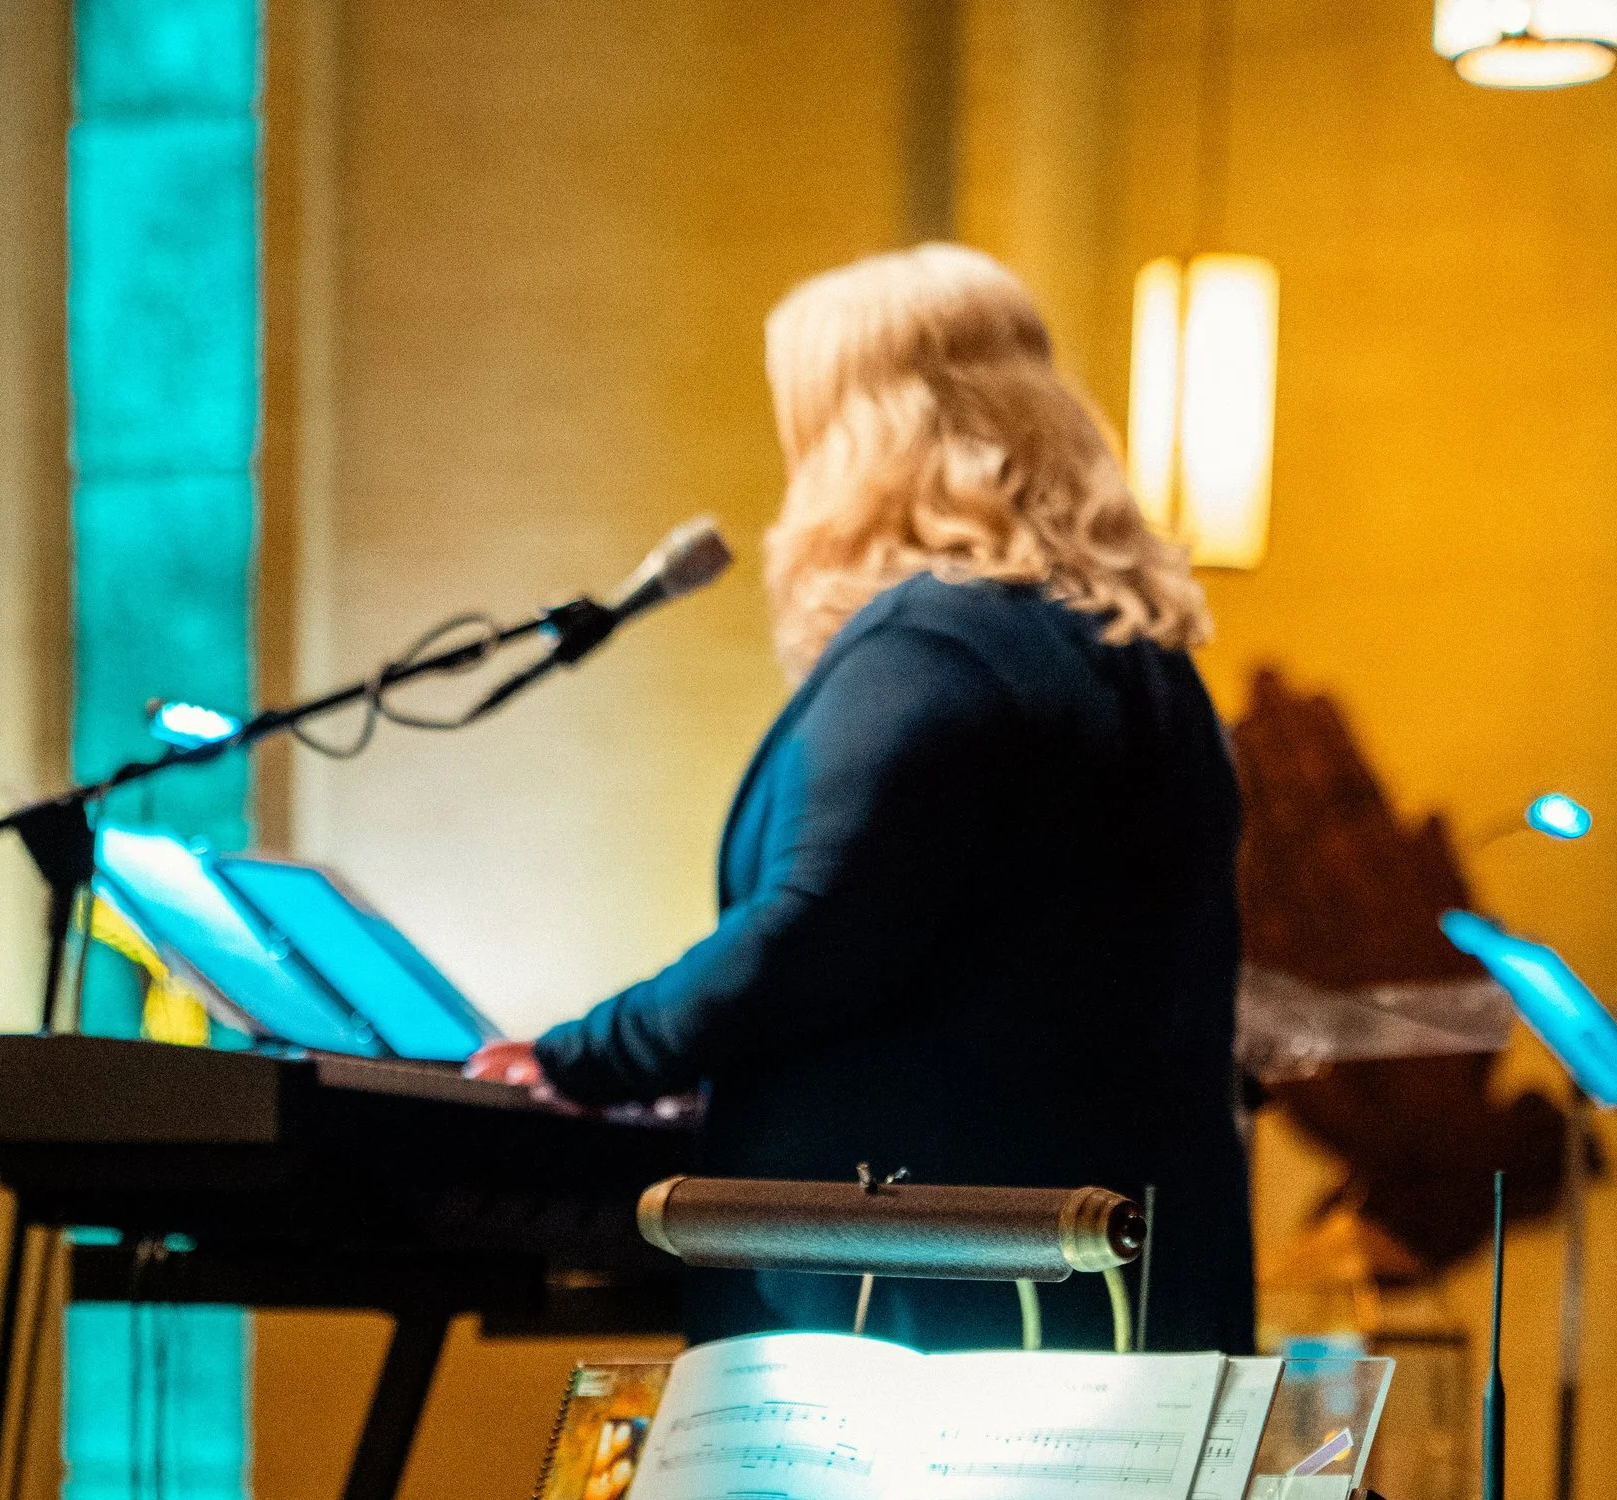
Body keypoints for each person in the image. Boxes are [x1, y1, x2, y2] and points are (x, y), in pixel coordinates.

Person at [471, 243, 1254, 1354]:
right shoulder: (1139, 661)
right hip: (1111, 1272)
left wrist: (586, 1055)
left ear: (860, 434)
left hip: (913, 1296)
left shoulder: (931, 642)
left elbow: (811, 930)